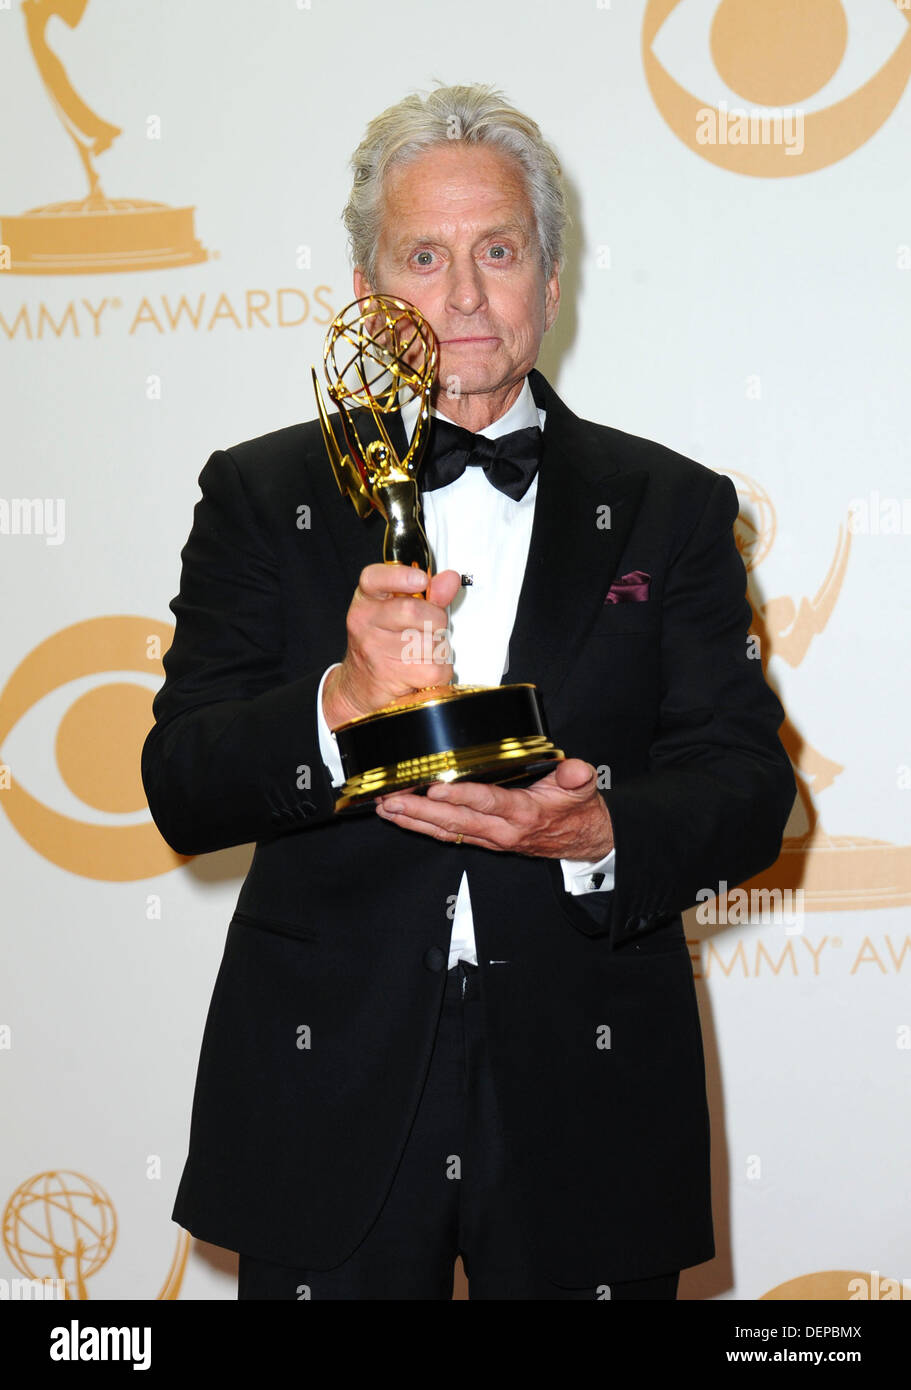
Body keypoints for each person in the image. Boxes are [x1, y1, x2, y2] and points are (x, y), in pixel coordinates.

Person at [141, 83, 796, 1301]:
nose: (461, 297)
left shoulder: (673, 505)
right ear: (362, 288)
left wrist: (601, 828)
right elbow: (181, 784)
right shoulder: (256, 491)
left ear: (552, 277)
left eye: (497, 251)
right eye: (422, 256)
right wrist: (337, 700)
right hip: (323, 1079)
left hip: (587, 1088)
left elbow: (750, 789)